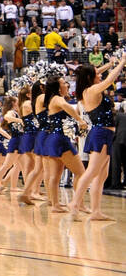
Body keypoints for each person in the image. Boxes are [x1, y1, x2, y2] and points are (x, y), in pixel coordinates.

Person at [69, 54, 124, 221]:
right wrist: (122, 62)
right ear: (90, 77)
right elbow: (107, 81)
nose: (99, 74)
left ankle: (96, 211)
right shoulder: (92, 90)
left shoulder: (86, 88)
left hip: (105, 133)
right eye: (97, 73)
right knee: (92, 172)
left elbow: (96, 73)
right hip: (100, 133)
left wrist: (110, 64)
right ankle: (75, 205)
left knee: (101, 176)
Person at [39, 74, 88, 213]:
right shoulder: (58, 99)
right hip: (60, 139)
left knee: (55, 175)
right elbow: (67, 106)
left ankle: (55, 205)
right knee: (81, 173)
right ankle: (79, 203)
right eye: (63, 83)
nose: (67, 84)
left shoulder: (52, 99)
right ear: (58, 87)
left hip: (53, 139)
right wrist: (80, 120)